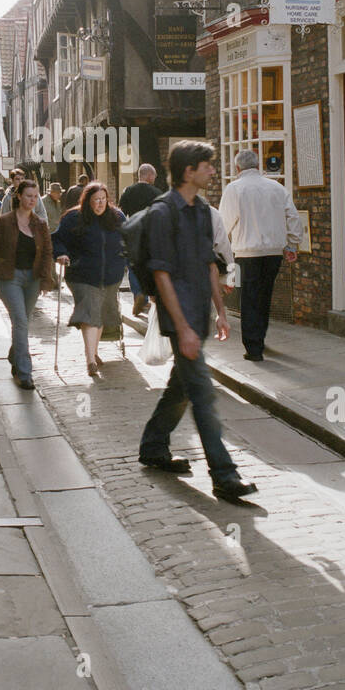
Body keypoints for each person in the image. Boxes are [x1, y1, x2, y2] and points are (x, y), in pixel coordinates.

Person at [137, 140, 258, 501]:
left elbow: (210, 264)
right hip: (179, 320)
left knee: (181, 389)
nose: (212, 171)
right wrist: (184, 328)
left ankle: (153, 446)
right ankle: (223, 474)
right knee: (203, 394)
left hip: (198, 314)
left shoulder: (203, 211)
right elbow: (160, 276)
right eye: (206, 165)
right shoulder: (162, 213)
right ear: (189, 171)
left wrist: (220, 311)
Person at [217, 149, 303, 361]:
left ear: (238, 168)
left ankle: (253, 348)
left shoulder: (234, 189)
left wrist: (220, 253)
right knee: (264, 297)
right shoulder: (277, 187)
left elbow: (223, 224)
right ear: (257, 166)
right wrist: (292, 245)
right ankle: (260, 339)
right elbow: (292, 217)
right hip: (274, 252)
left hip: (246, 252)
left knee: (249, 298)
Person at [0, 179, 57, 389]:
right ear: (19, 196)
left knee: (22, 322)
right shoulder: (5, 221)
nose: (32, 200)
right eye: (28, 196)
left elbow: (47, 253)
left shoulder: (40, 224)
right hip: (9, 277)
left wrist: (46, 278)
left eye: (35, 196)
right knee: (21, 321)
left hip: (31, 279)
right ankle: (25, 373)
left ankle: (15, 355)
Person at [53, 180, 126, 378]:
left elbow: (128, 238)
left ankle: (93, 351)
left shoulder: (117, 217)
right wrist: (61, 254)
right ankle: (90, 360)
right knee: (90, 311)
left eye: (103, 200)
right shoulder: (73, 218)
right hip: (82, 274)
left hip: (110, 275)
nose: (100, 204)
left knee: (98, 314)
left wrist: (127, 256)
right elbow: (57, 239)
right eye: (95, 200)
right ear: (87, 201)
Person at [119, 163, 162, 315]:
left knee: (133, 266)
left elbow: (121, 212)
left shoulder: (128, 191)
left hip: (133, 233)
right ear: (149, 175)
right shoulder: (157, 192)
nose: (155, 178)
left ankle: (138, 294)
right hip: (151, 234)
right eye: (154, 176)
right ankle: (149, 295)